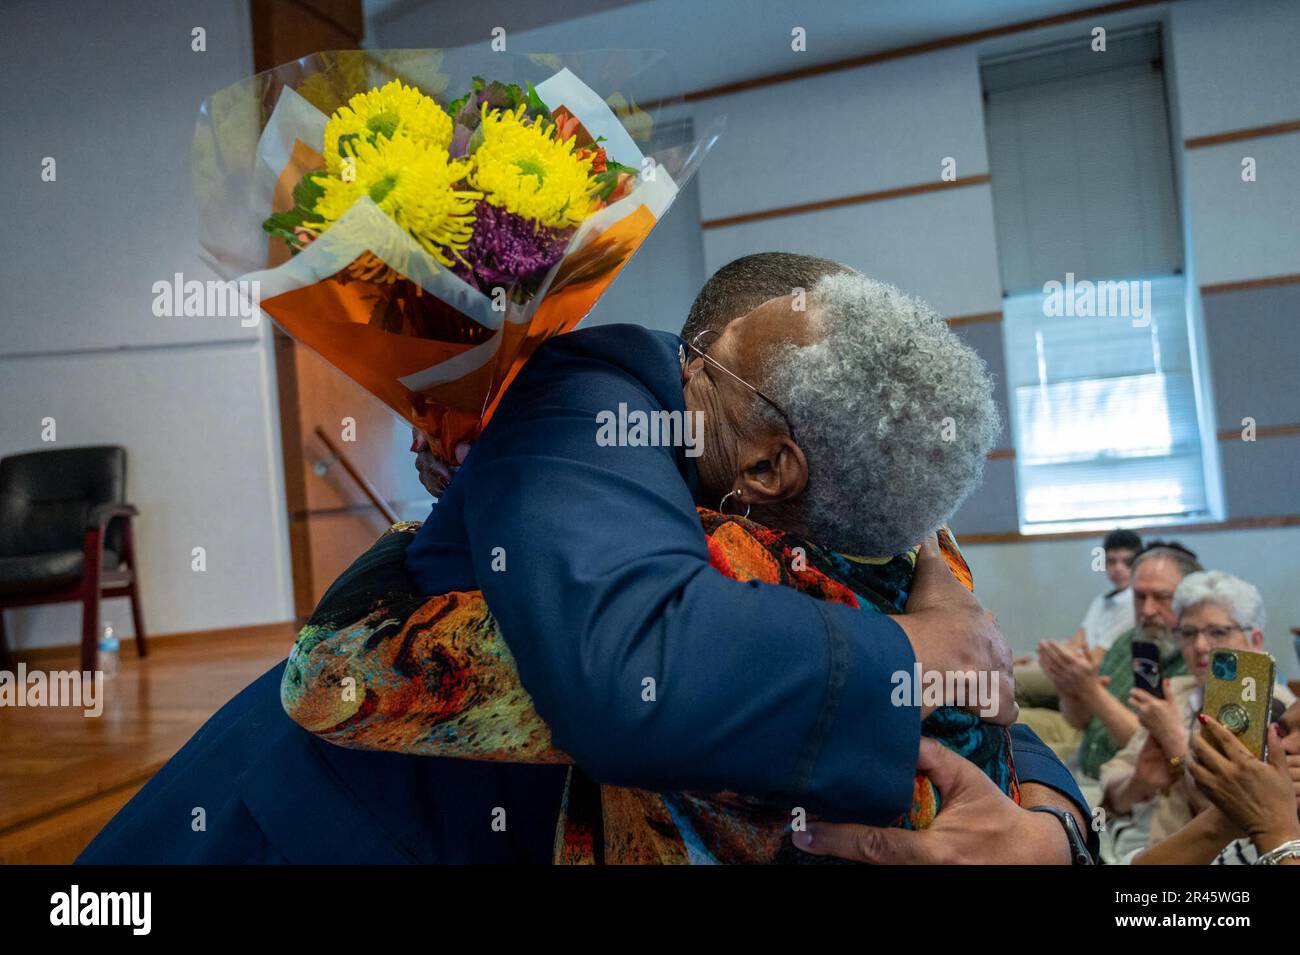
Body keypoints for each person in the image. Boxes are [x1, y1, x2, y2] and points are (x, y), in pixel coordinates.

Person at [79, 254, 1089, 864]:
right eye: (696, 351)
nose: (677, 364)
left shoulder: (874, 529)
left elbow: (980, 688)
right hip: (325, 822)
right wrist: (913, 653)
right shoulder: (604, 391)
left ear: (779, 462)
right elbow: (632, 667)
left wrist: (1051, 828)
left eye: (708, 363)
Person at [1100, 571, 1295, 861]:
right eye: (1189, 633)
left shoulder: (1277, 711)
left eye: (1217, 632)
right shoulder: (1176, 691)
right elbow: (1111, 774)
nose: (1201, 646)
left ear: (1254, 639)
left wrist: (1176, 746)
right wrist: (1139, 783)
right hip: (1122, 837)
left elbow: (1242, 815)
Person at [1017, 542, 1199, 783]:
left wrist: (1091, 691)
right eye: (1140, 596)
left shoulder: (1196, 659)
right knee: (1002, 740)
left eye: (1162, 597)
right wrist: (1069, 689)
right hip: (1083, 761)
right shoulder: (1128, 641)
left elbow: (1150, 749)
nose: (1147, 609)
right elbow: (1082, 721)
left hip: (1123, 786)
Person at [1133, 700, 1300, 865]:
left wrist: (1278, 832)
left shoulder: (1274, 825)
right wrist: (1222, 821)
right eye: (1281, 733)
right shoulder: (1250, 819)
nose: (1285, 745)